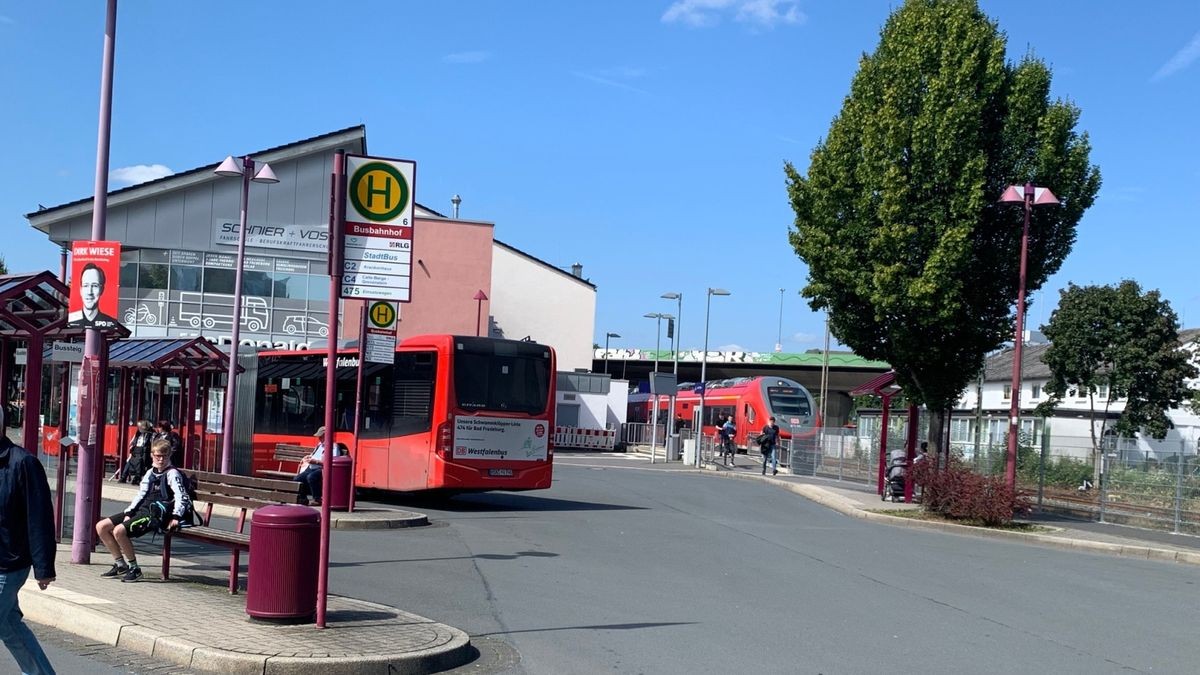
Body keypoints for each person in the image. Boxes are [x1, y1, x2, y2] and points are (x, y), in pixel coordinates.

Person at [0, 403, 57, 675]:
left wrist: (44, 567)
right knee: (8, 625)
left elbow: (40, 518)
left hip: (8, 563)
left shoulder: (23, 463)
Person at [95, 439, 192, 583]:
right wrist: (128, 513)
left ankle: (135, 569)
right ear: (152, 455)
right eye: (157, 455)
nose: (161, 459)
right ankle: (121, 565)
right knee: (101, 527)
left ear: (169, 456)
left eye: (164, 456)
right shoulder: (150, 473)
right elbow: (141, 494)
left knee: (119, 531)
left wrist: (176, 516)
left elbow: (181, 496)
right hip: (141, 509)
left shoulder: (172, 474)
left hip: (156, 514)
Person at [294, 426, 346, 506]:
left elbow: (332, 462)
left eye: (321, 437)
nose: (319, 438)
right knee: (297, 478)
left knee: (311, 477)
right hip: (311, 467)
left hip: (321, 468)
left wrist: (316, 462)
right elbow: (313, 455)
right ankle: (303, 498)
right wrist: (308, 457)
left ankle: (317, 499)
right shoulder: (319, 445)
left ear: (326, 435)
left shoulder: (333, 447)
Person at [67, 263, 120, 330]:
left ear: (102, 289)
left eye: (95, 286)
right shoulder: (73, 320)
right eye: (86, 285)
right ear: (80, 290)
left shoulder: (110, 322)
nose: (89, 292)